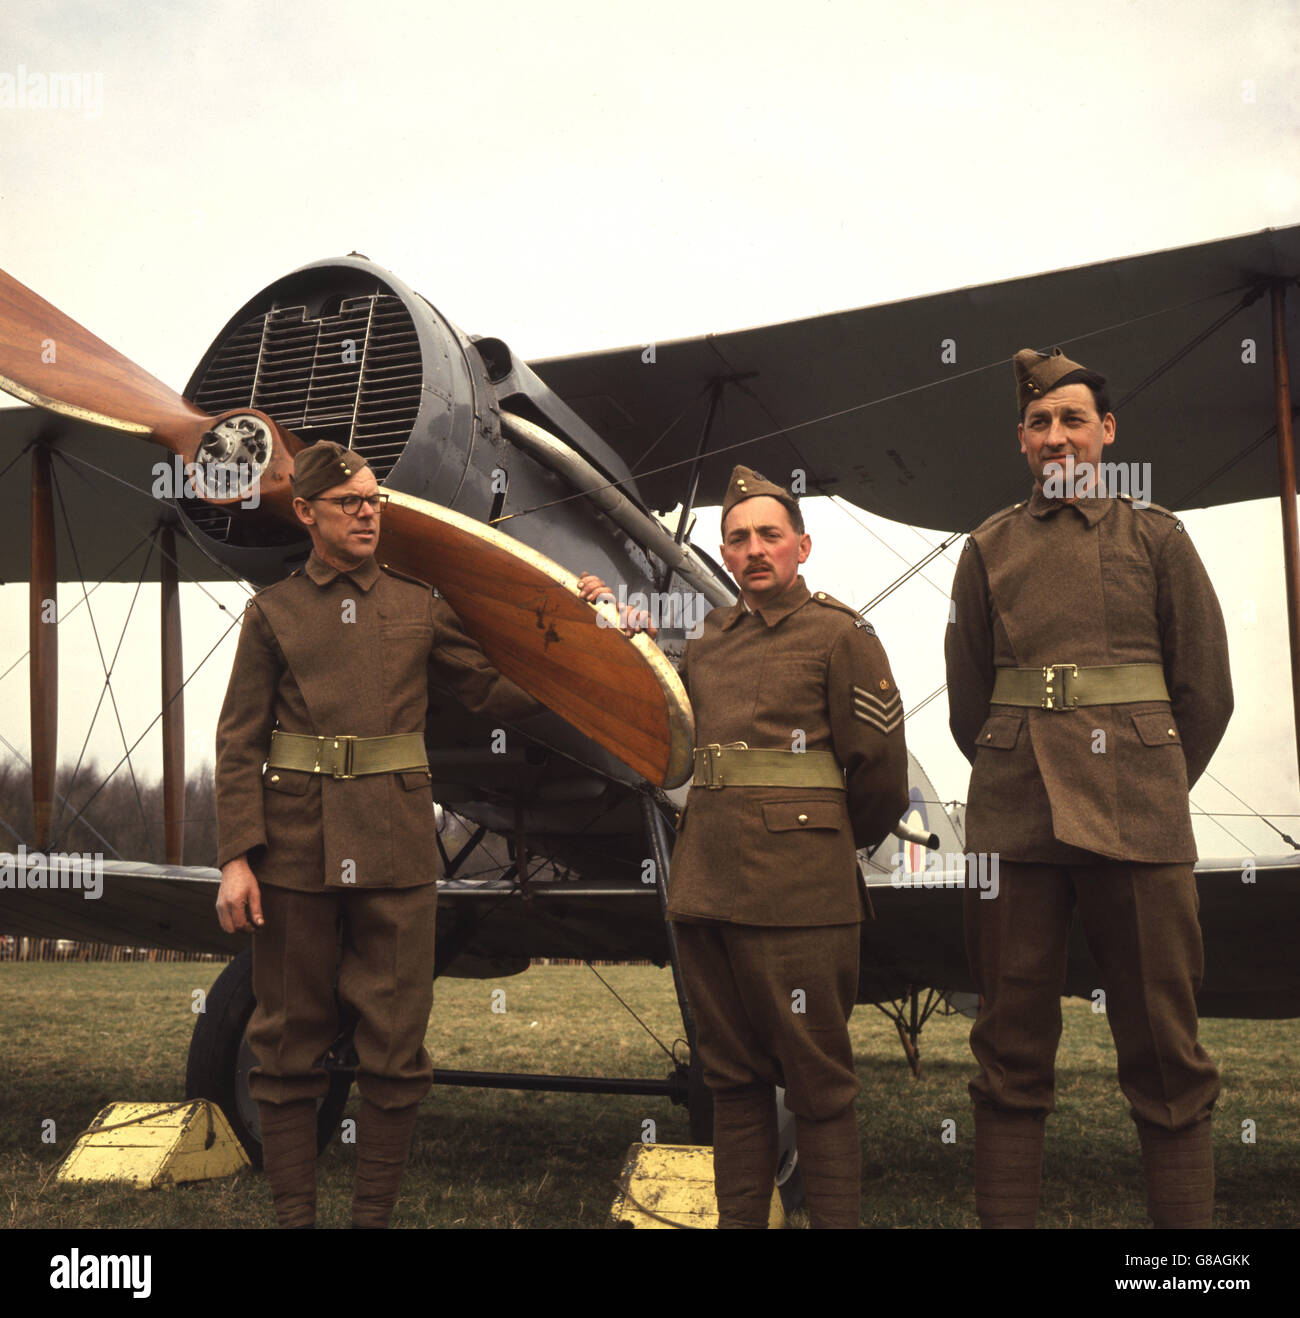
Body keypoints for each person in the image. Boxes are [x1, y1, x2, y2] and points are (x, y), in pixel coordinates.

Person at [214, 441, 541, 1229]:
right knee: (287, 1047)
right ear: (306, 514)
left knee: (395, 1054)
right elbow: (238, 743)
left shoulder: (418, 603)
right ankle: (295, 1219)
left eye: (373, 500)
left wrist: (577, 633)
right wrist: (235, 858)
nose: (368, 513)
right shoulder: (272, 614)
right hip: (293, 854)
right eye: (349, 503)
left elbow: (496, 691)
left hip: (397, 853)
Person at [944, 347, 1232, 1228]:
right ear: (1021, 441)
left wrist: (1147, 779)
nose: (1057, 435)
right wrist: (1012, 774)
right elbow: (968, 700)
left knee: (1163, 1050)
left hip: (1139, 819)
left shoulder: (1158, 536)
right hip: (1016, 817)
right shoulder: (986, 549)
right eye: (1041, 423)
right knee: (1008, 1050)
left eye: (1073, 419)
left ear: (1107, 432)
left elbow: (1205, 691)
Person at [585, 466, 909, 1228]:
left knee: (818, 1084)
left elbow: (879, 782)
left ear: (802, 544)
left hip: (803, 894)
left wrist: (819, 849)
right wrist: (609, 621)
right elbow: (657, 703)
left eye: (770, 535)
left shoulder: (842, 634)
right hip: (707, 887)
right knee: (730, 1079)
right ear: (725, 555)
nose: (754, 549)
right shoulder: (707, 640)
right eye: (738, 539)